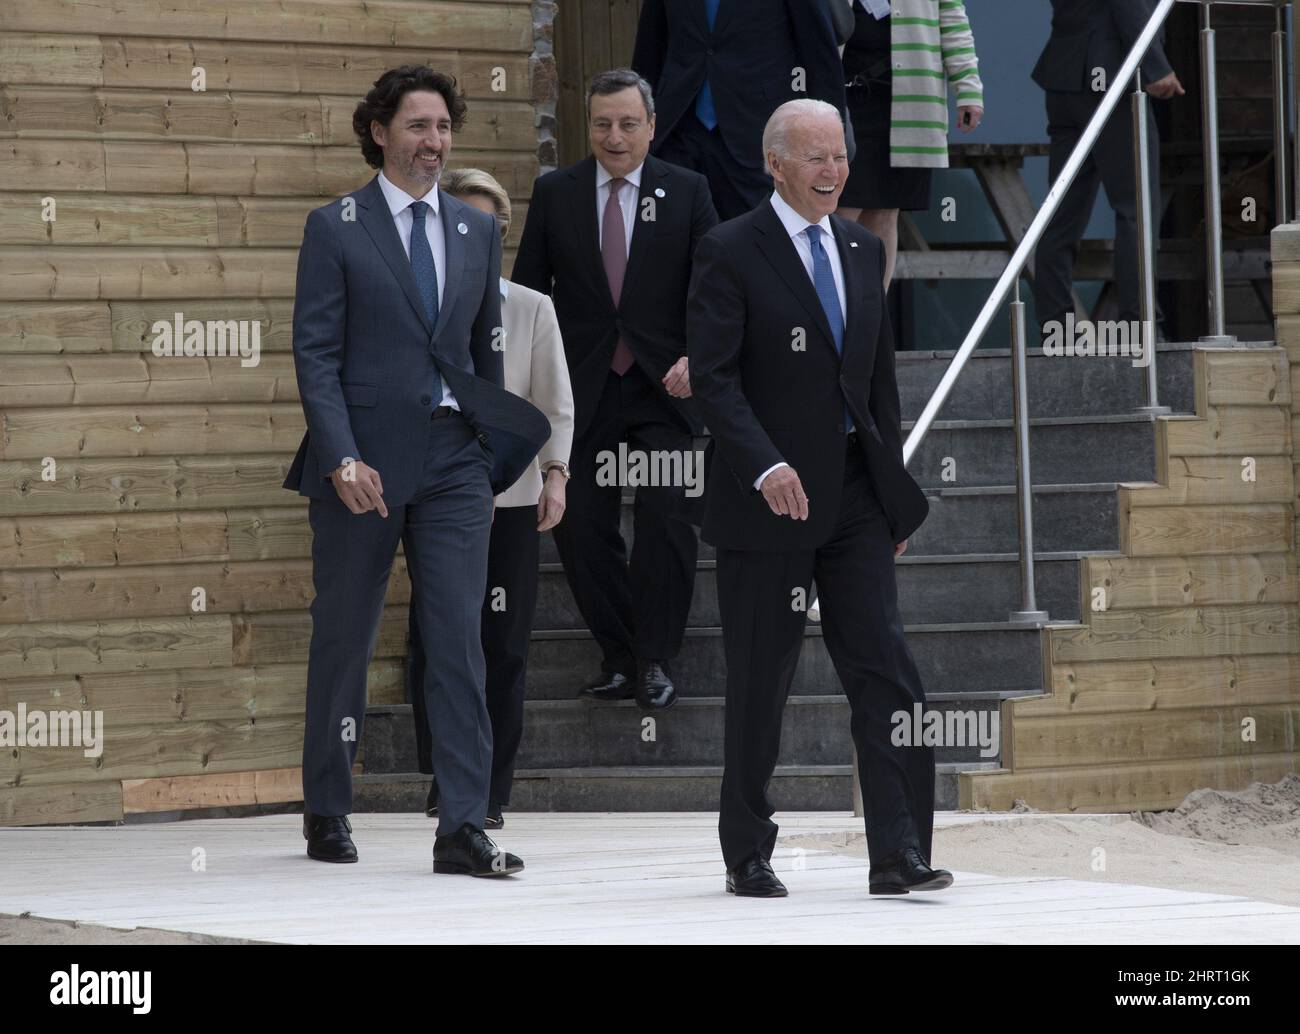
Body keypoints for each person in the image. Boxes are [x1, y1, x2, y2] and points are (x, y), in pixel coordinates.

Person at [286, 66, 549, 876]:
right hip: (359, 465)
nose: (433, 142)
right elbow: (315, 354)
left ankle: (462, 826)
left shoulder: (476, 233)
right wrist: (339, 457)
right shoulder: (335, 226)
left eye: (442, 128)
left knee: (459, 639)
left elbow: (483, 359)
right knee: (346, 638)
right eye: (417, 127)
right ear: (379, 132)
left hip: (453, 463)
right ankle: (328, 808)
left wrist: (485, 447)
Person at [687, 99, 947, 898]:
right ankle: (748, 852)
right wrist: (764, 467)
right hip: (769, 500)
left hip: (857, 495)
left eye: (840, 154)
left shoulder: (864, 249)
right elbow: (716, 380)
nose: (833, 170)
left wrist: (893, 494)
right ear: (775, 163)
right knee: (762, 679)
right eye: (815, 157)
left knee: (888, 673)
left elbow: (878, 386)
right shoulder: (729, 250)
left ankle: (898, 851)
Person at [512, 69, 719, 711]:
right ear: (588, 127)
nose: (615, 135)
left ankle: (655, 657)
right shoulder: (557, 194)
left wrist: (699, 354)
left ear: (652, 127)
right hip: (582, 391)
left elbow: (718, 293)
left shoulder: (688, 191)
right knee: (579, 525)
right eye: (603, 123)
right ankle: (621, 655)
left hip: (665, 388)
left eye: (629, 123)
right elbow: (526, 296)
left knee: (667, 522)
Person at [407, 168, 575, 830]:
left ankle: (490, 789)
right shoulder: (419, 307)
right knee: (436, 638)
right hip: (434, 494)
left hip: (509, 497)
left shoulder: (531, 307)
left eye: (486, 227)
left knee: (503, 645)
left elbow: (553, 401)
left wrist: (556, 474)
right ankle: (446, 776)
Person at [1031, 0, 1183, 338]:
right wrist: (1155, 65)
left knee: (1061, 211)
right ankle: (1139, 326)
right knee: (1136, 208)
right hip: (1110, 77)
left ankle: (1057, 326)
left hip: (1066, 76)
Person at [632, 0, 848, 221]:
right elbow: (650, 44)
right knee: (671, 235)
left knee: (757, 242)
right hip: (678, 127)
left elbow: (819, 51)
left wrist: (829, 137)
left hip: (757, 134)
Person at [833, 0, 985, 290]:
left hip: (909, 98)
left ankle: (873, 310)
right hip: (844, 94)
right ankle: (840, 307)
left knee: (886, 211)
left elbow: (952, 16)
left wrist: (968, 87)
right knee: (842, 209)